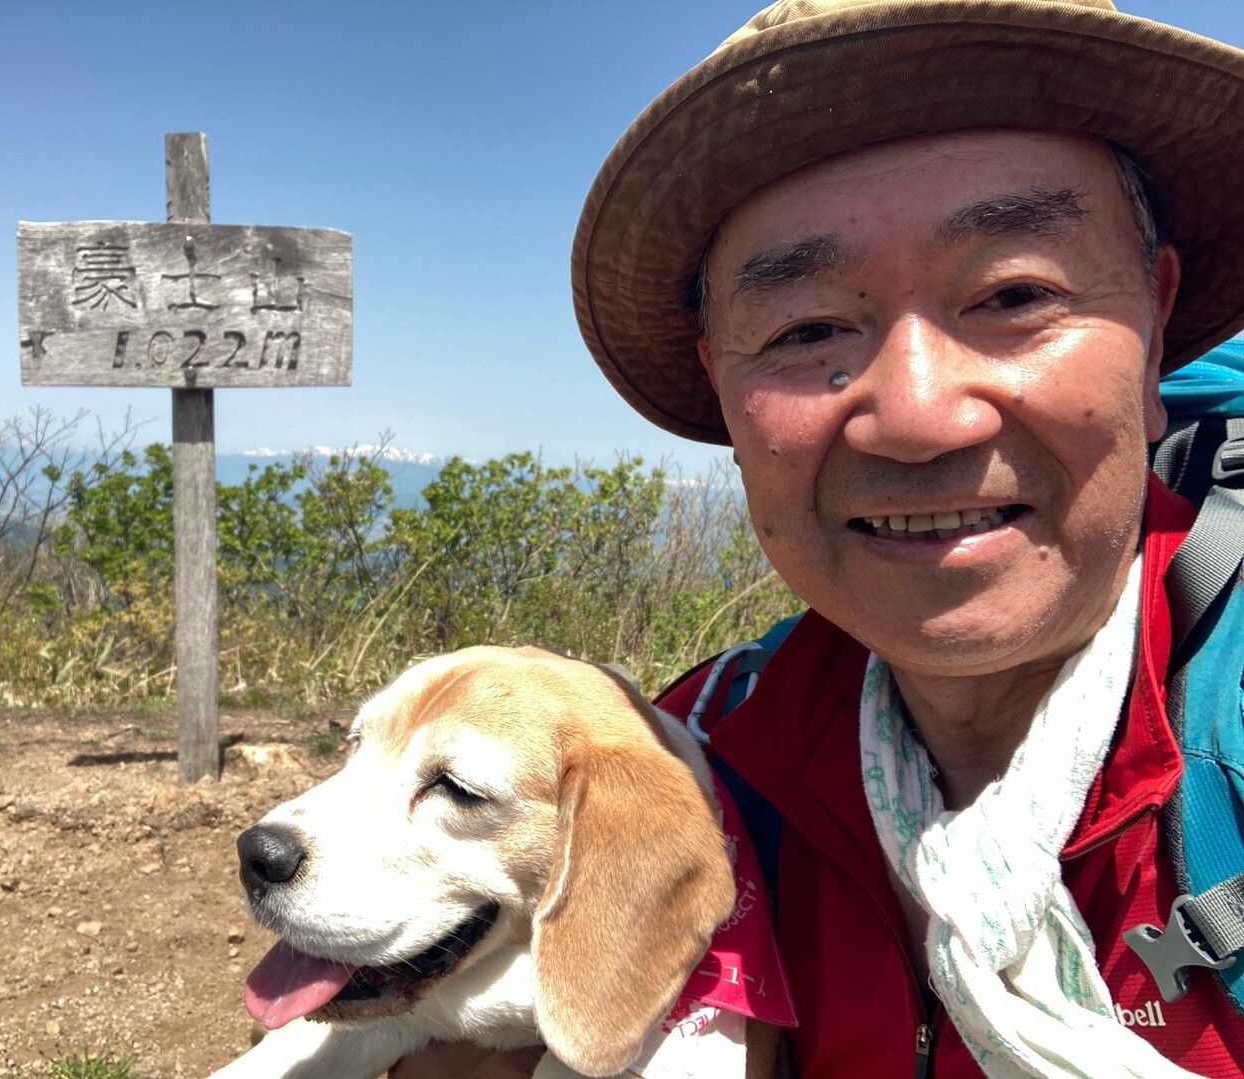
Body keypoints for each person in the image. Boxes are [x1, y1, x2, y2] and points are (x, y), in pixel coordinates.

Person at [394, 1, 1244, 1075]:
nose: (919, 415)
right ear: (721, 382)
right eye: (807, 329)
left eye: (1015, 293)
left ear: (1155, 326)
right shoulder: (700, 758)